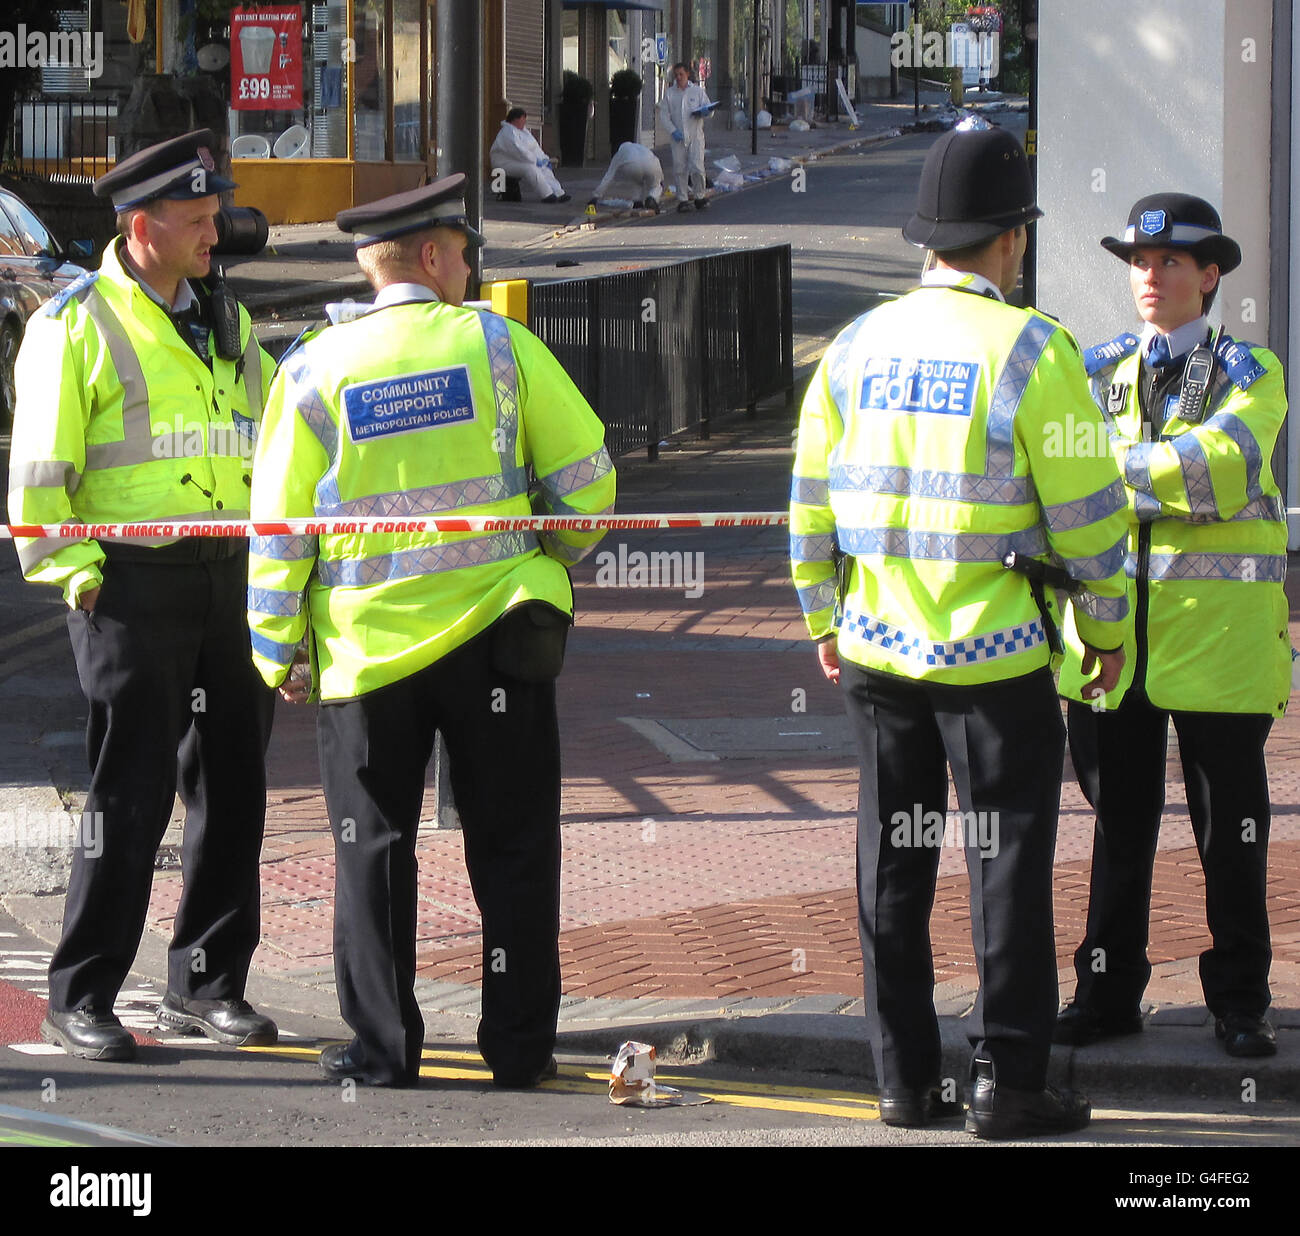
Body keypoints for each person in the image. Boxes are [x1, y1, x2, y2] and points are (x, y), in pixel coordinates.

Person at [790, 126, 1133, 1139]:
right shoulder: (1034, 350)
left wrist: (823, 615)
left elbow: (807, 500)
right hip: (998, 660)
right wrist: (1103, 628)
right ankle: (1009, 1084)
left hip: (876, 653)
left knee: (891, 864)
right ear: (1011, 241)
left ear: (927, 239)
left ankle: (900, 1081)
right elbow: (1089, 519)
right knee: (1006, 865)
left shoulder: (853, 347)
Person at [247, 175, 616, 1088]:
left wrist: (274, 648)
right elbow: (590, 480)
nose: (469, 268)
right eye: (463, 251)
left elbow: (278, 527)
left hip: (367, 656)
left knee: (372, 851)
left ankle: (385, 1049)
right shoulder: (499, 345)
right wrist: (553, 551)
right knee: (514, 844)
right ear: (430, 255)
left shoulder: (313, 368)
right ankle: (521, 1047)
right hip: (497, 638)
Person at [6, 129, 277, 1061]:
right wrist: (78, 577)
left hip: (231, 574)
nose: (216, 233)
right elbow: (39, 477)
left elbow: (272, 438)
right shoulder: (73, 324)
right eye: (198, 220)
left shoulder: (228, 322)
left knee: (235, 791)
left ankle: (209, 983)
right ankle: (80, 994)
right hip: (129, 580)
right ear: (140, 225)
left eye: (214, 216)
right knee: (129, 796)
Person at [1055, 195, 1288, 1059]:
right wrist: (1135, 479)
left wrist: (1105, 477)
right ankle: (1106, 996)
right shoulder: (1094, 366)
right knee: (1118, 835)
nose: (1149, 277)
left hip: (1219, 651)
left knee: (1231, 837)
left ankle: (1240, 1003)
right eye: (1139, 263)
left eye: (1171, 263)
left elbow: (1216, 474)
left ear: (1210, 275)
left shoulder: (1252, 371)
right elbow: (1054, 471)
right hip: (1109, 649)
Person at [658, 63, 712, 212]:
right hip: (678, 138)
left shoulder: (697, 91)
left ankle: (699, 196)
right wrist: (672, 130)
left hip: (695, 136)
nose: (678, 77)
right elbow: (664, 115)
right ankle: (682, 199)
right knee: (680, 169)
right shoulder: (670, 93)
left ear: (687, 74)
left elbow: (708, 107)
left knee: (697, 167)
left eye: (681, 74)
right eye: (676, 75)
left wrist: (706, 112)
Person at [489, 107, 570, 203]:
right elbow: (519, 151)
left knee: (544, 169)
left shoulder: (524, 132)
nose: (524, 122)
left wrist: (544, 159)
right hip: (503, 163)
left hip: (519, 160)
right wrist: (535, 161)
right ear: (516, 119)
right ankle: (547, 194)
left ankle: (558, 192)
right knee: (530, 168)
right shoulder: (507, 133)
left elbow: (535, 147)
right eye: (523, 119)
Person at [589, 140, 665, 212]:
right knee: (656, 186)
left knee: (636, 180)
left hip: (632, 166)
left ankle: (637, 201)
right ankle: (652, 198)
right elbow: (655, 159)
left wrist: (596, 195)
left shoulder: (620, 153)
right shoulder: (641, 147)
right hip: (653, 164)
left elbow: (608, 176)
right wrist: (661, 178)